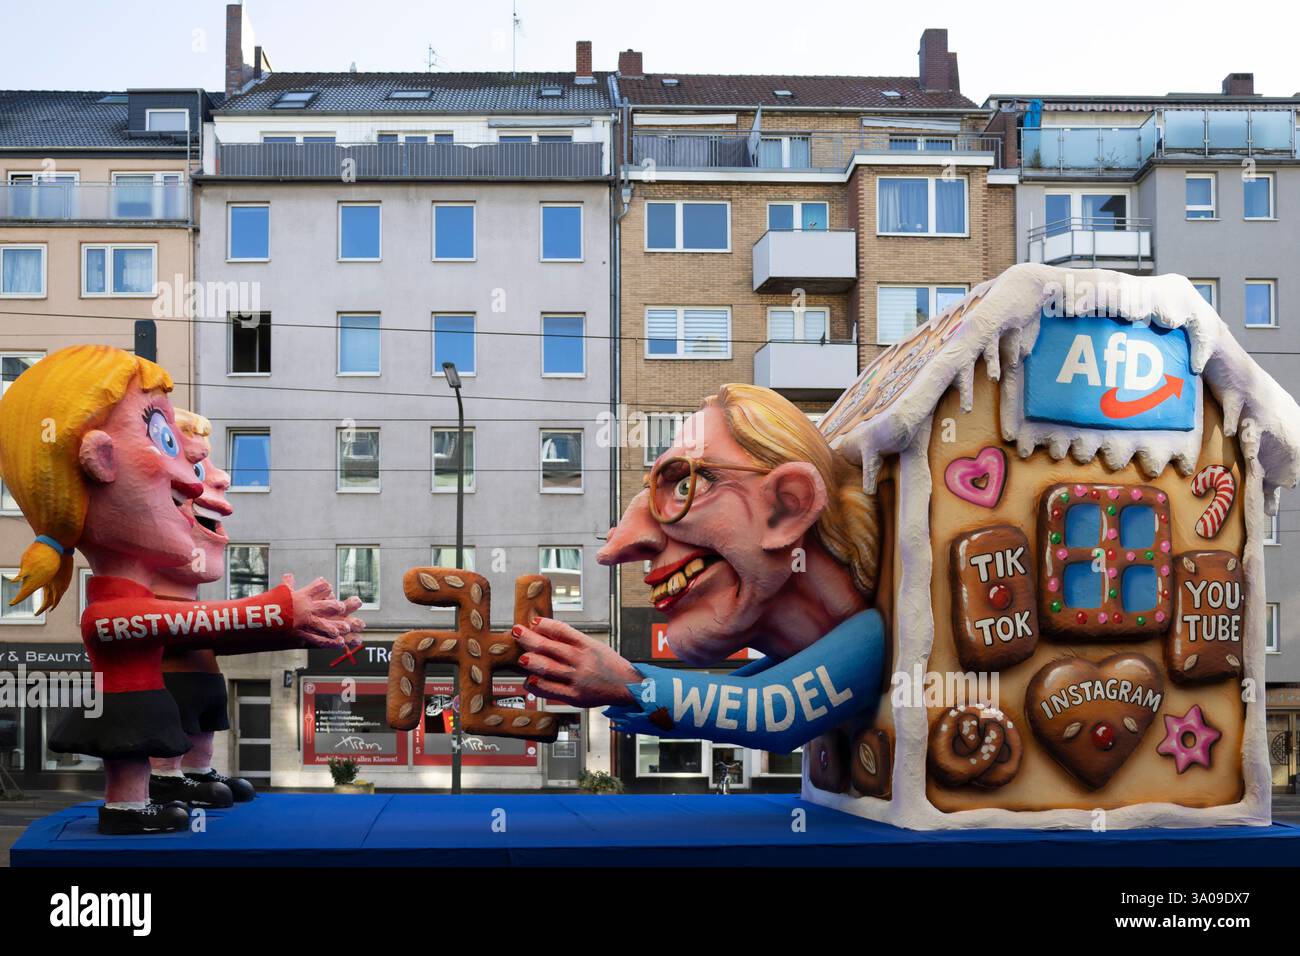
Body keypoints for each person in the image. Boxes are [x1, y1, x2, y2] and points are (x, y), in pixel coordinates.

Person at [0, 345, 363, 834]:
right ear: (98, 459)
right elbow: (184, 624)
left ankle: (160, 789)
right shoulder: (107, 610)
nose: (195, 488)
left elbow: (198, 631)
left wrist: (295, 628)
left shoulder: (135, 599)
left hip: (151, 695)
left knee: (172, 722)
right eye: (161, 438)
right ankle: (126, 808)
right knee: (129, 748)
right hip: (130, 700)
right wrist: (276, 613)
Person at [515, 384, 886, 752]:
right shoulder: (809, 650)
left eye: (684, 486)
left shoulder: (877, 635)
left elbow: (776, 708)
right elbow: (742, 690)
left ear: (789, 503)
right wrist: (622, 688)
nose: (622, 546)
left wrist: (628, 683)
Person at [148, 411, 363, 806]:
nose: (221, 479)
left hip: (199, 673)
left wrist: (287, 629)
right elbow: (177, 627)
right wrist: (276, 612)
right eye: (197, 465)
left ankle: (196, 770)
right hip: (169, 679)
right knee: (178, 714)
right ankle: (165, 777)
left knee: (203, 717)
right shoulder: (147, 597)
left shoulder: (190, 599)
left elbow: (213, 633)